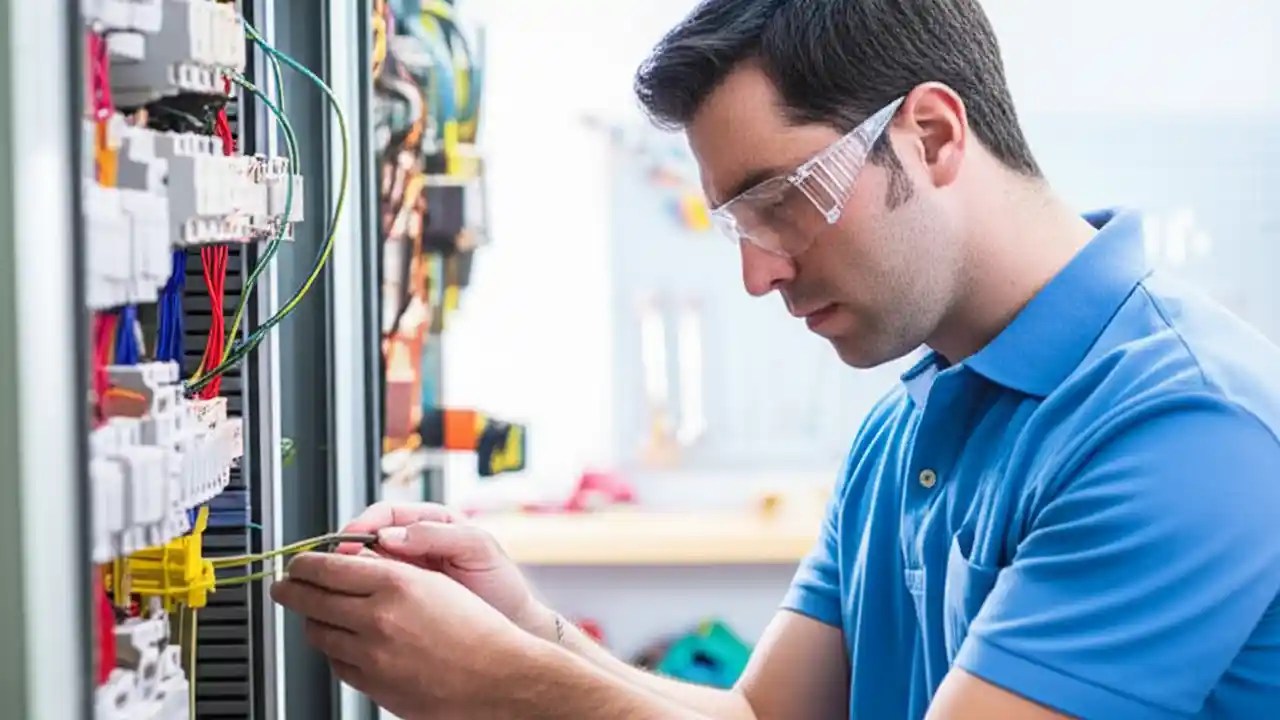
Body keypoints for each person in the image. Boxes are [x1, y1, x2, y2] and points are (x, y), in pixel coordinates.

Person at [271, 0, 1280, 718]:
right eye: (735, 224)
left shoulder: (1186, 428)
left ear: (929, 135)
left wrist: (505, 692)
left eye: (779, 202)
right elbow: (759, 716)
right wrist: (528, 629)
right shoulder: (905, 427)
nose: (756, 273)